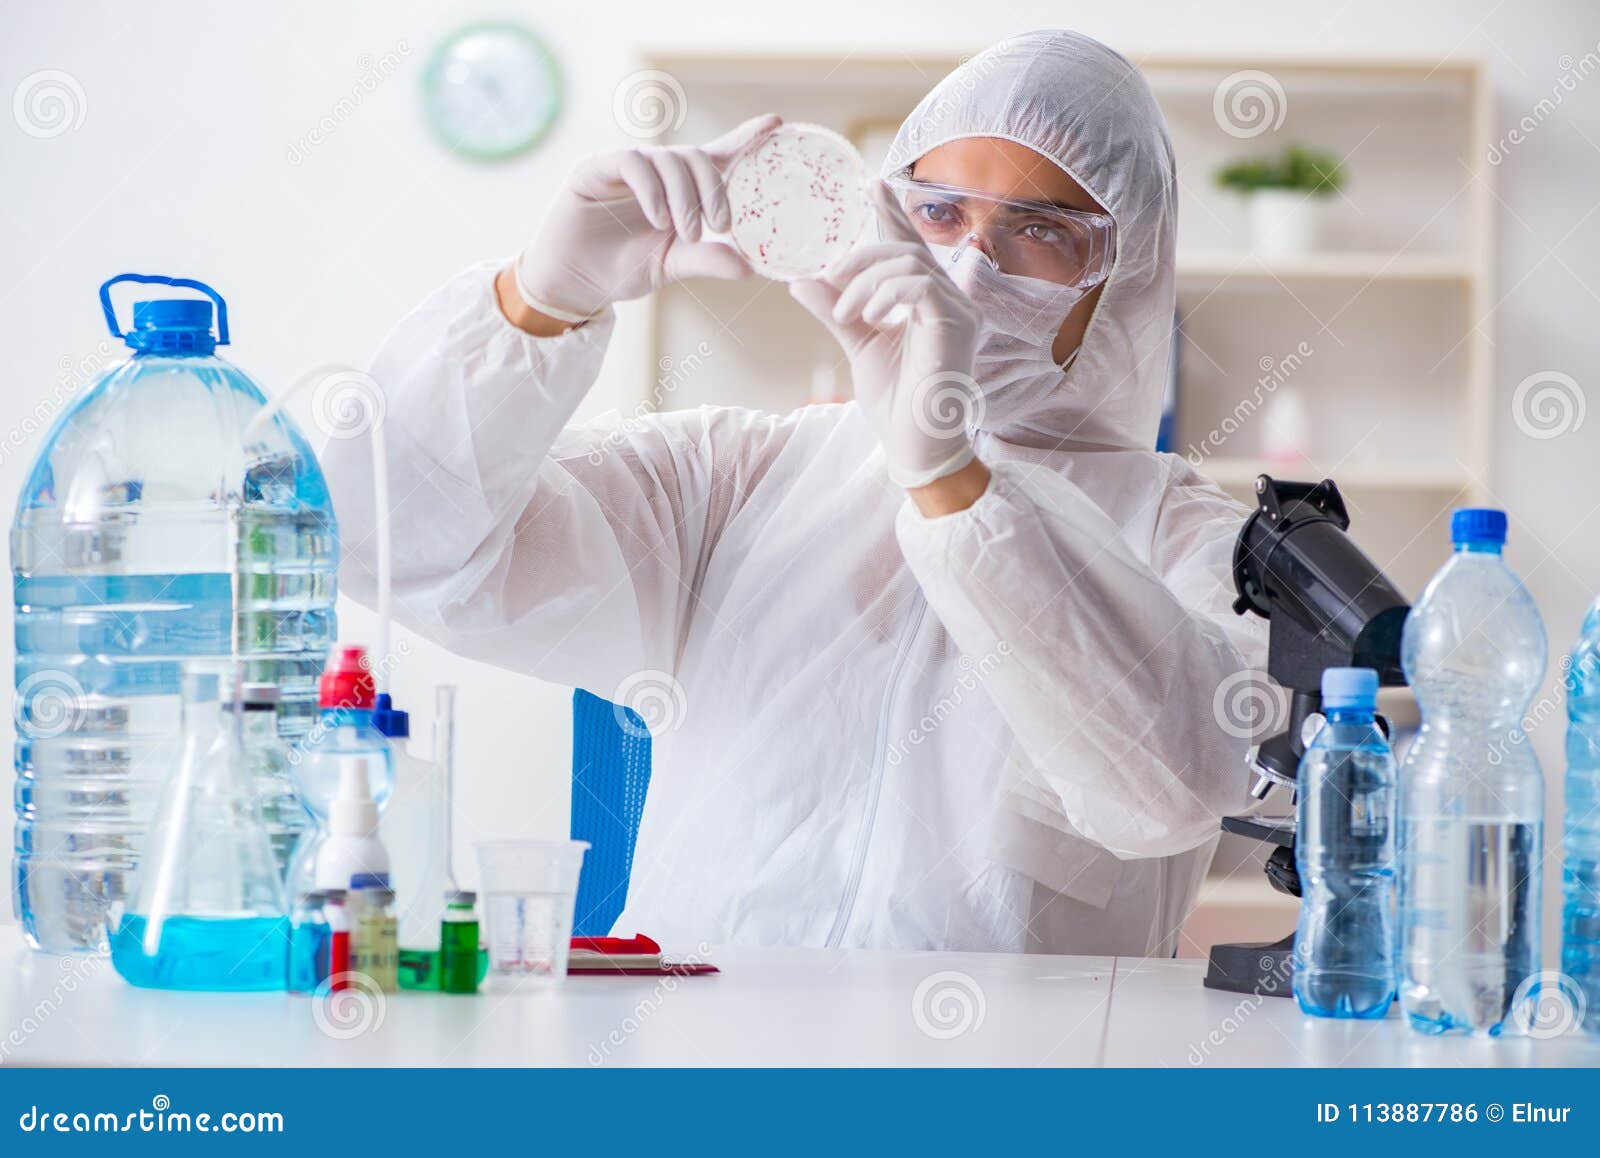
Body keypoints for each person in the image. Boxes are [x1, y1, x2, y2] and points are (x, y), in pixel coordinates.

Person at [324, 29, 1268, 957]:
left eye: (1041, 229)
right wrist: (539, 303)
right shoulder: (735, 478)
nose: (972, 265)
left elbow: (1172, 790)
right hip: (704, 1067)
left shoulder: (1204, 546)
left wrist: (951, 480)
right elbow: (395, 543)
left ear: (1126, 274)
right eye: (938, 213)